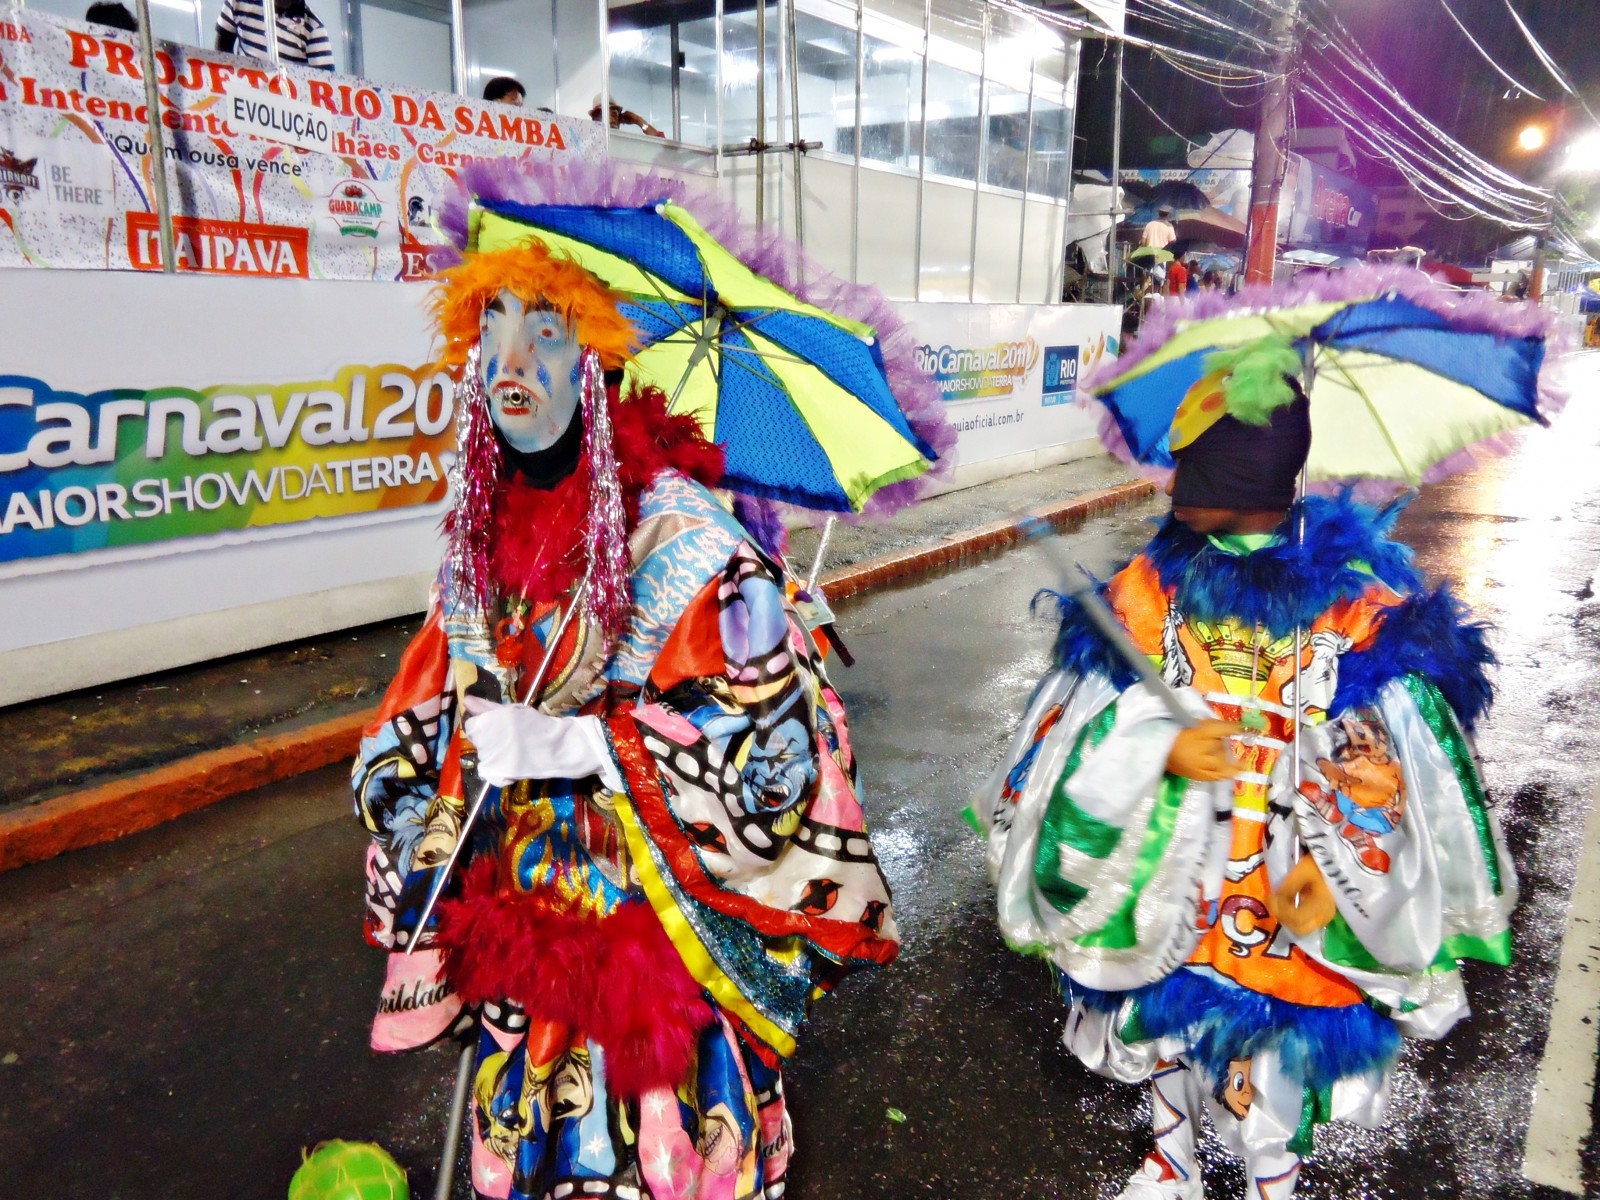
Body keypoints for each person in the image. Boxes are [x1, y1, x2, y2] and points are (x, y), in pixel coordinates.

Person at [352, 223, 898, 1199]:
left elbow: (774, 749)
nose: (511, 356)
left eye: (547, 328)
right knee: (530, 1138)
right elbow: (421, 710)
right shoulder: (481, 531)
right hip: (524, 911)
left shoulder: (695, 541)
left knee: (652, 1154)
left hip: (655, 926)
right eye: (494, 323)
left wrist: (586, 745)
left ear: (597, 357)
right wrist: (422, 798)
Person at [971, 342, 1515, 1200]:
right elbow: (1079, 729)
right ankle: (1170, 1161)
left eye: (1205, 492)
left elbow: (1389, 752)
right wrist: (1157, 745)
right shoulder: (1149, 593)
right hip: (1177, 864)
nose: (1183, 505)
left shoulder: (1354, 604)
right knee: (1163, 1016)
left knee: (1280, 1045)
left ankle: (1274, 1178)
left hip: (1290, 876)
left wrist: (1339, 866)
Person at [215, 0, 333, 69]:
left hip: (287, 105)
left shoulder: (313, 29)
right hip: (245, 99)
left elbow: (325, 85)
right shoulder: (239, 2)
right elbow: (222, 46)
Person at [590, 94, 665, 138]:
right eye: (604, 115)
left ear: (619, 119)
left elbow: (664, 150)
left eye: (614, 114)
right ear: (595, 119)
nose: (611, 120)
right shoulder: (588, 143)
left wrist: (639, 121)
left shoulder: (625, 145)